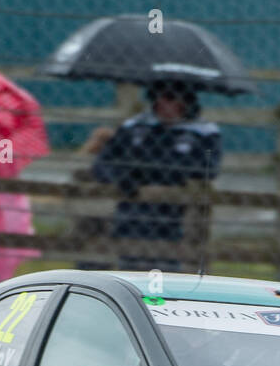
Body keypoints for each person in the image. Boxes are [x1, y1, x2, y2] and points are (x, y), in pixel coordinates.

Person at [81, 81, 222, 272]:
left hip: (176, 214)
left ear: (186, 101)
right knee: (130, 265)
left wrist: (167, 171)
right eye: (160, 98)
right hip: (132, 210)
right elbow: (104, 163)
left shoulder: (203, 131)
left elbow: (209, 168)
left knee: (166, 269)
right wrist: (121, 178)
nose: (166, 104)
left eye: (172, 98)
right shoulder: (135, 127)